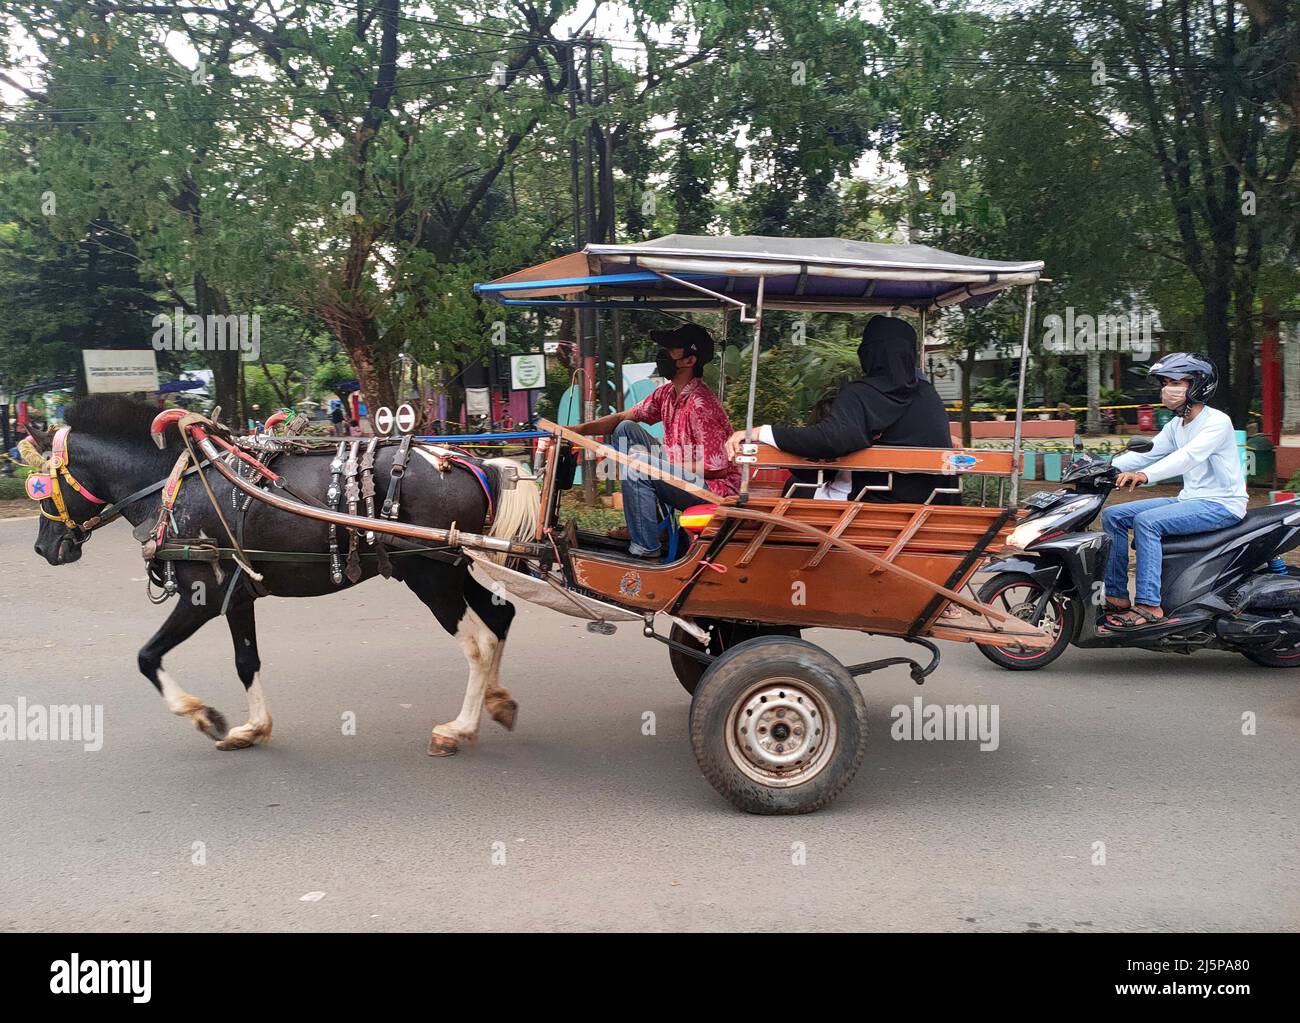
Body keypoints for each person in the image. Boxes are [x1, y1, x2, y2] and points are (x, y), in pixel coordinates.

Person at [724, 315, 956, 504]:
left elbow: (831, 439)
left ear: (868, 354)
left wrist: (759, 432)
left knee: (793, 488)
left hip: (872, 505)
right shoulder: (928, 396)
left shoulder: (862, 393)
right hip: (931, 507)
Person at [1101, 353, 1246, 631]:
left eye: (1177, 382)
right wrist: (1102, 467)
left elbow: (1188, 457)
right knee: (1114, 516)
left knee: (1148, 522)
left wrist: (1146, 476)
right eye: (1166, 382)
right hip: (1190, 499)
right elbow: (1145, 454)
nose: (1168, 388)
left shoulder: (1217, 422)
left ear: (1198, 385)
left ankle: (1148, 605)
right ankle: (1117, 596)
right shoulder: (1176, 425)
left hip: (1221, 504)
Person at [571, 322, 738, 559]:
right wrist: (576, 430)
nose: (663, 355)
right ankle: (649, 526)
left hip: (713, 489)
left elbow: (717, 468)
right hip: (683, 474)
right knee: (626, 429)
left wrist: (653, 464)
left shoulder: (701, 406)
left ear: (690, 361)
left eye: (672, 350)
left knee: (638, 464)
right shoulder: (667, 393)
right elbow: (622, 417)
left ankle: (646, 550)